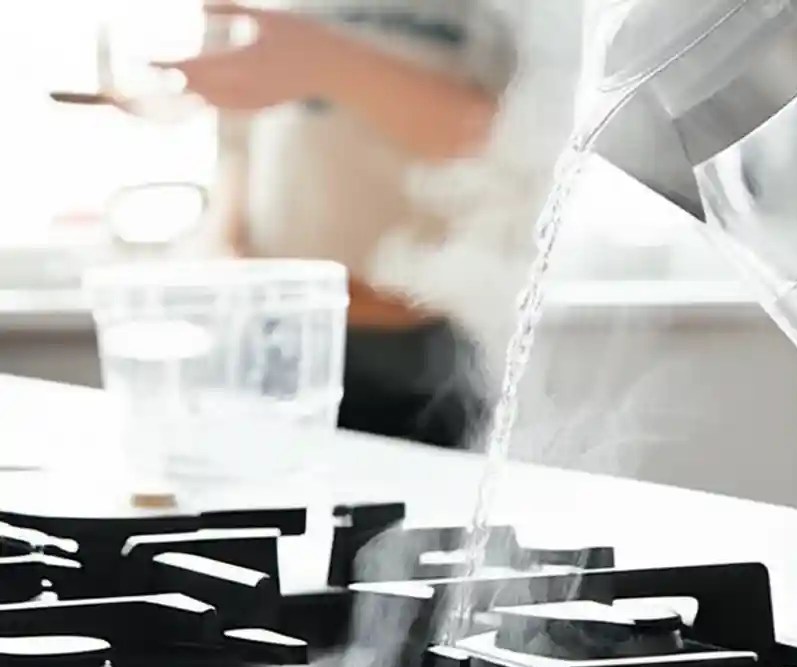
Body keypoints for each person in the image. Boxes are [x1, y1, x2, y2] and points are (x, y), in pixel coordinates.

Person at [168, 1, 584, 449]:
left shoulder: (495, 14)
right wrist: (226, 258)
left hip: (416, 343)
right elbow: (236, 146)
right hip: (271, 330)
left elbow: (488, 132)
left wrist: (323, 59)